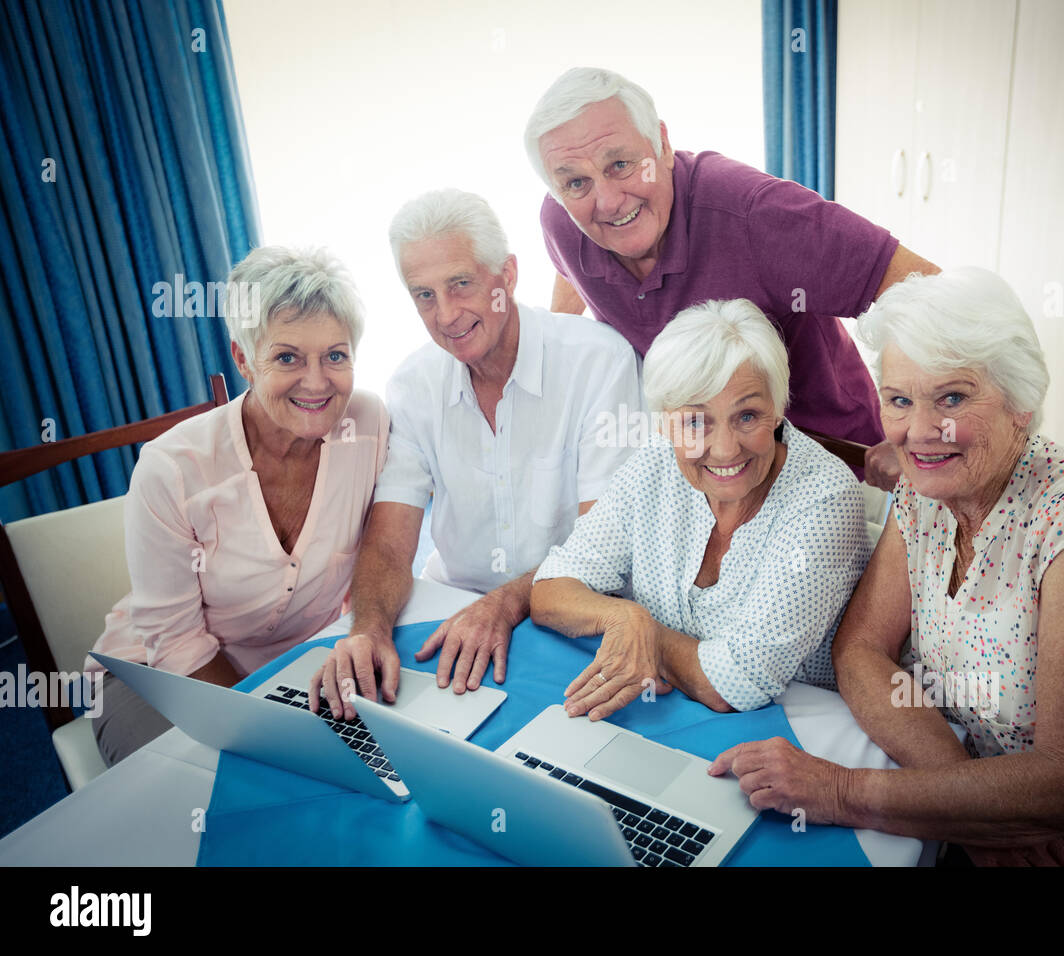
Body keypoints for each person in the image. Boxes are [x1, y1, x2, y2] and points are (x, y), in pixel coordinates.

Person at [708, 267, 1064, 866]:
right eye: (900, 400)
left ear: (1021, 403)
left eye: (952, 398)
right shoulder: (925, 491)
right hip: (1007, 829)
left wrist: (841, 791)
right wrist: (977, 811)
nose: (921, 432)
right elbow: (860, 651)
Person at [525, 66, 940, 491]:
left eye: (621, 164)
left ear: (662, 145)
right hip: (705, 462)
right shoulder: (566, 219)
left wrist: (914, 426)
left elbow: (934, 293)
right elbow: (570, 271)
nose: (608, 202)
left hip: (830, 463)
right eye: (576, 182)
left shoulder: (757, 216)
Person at [311, 189, 643, 720]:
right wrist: (369, 630)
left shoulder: (597, 361)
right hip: (451, 614)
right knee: (358, 737)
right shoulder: (412, 384)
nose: (445, 314)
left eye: (460, 284)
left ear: (507, 275)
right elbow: (393, 541)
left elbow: (602, 545)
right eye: (423, 295)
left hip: (572, 616)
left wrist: (505, 603)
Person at [84, 247, 385, 766]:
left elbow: (387, 547)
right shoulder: (171, 469)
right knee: (209, 807)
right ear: (243, 359)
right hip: (155, 675)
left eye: (335, 355)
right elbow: (174, 645)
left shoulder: (369, 424)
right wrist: (269, 729)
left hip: (295, 667)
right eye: (287, 357)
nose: (316, 382)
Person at [531, 298, 871, 720]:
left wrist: (649, 639)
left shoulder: (825, 498)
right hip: (674, 704)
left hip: (800, 722)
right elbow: (551, 589)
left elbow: (736, 685)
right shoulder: (657, 459)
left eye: (747, 416)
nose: (726, 449)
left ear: (779, 408)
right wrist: (624, 617)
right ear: (664, 422)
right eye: (695, 421)